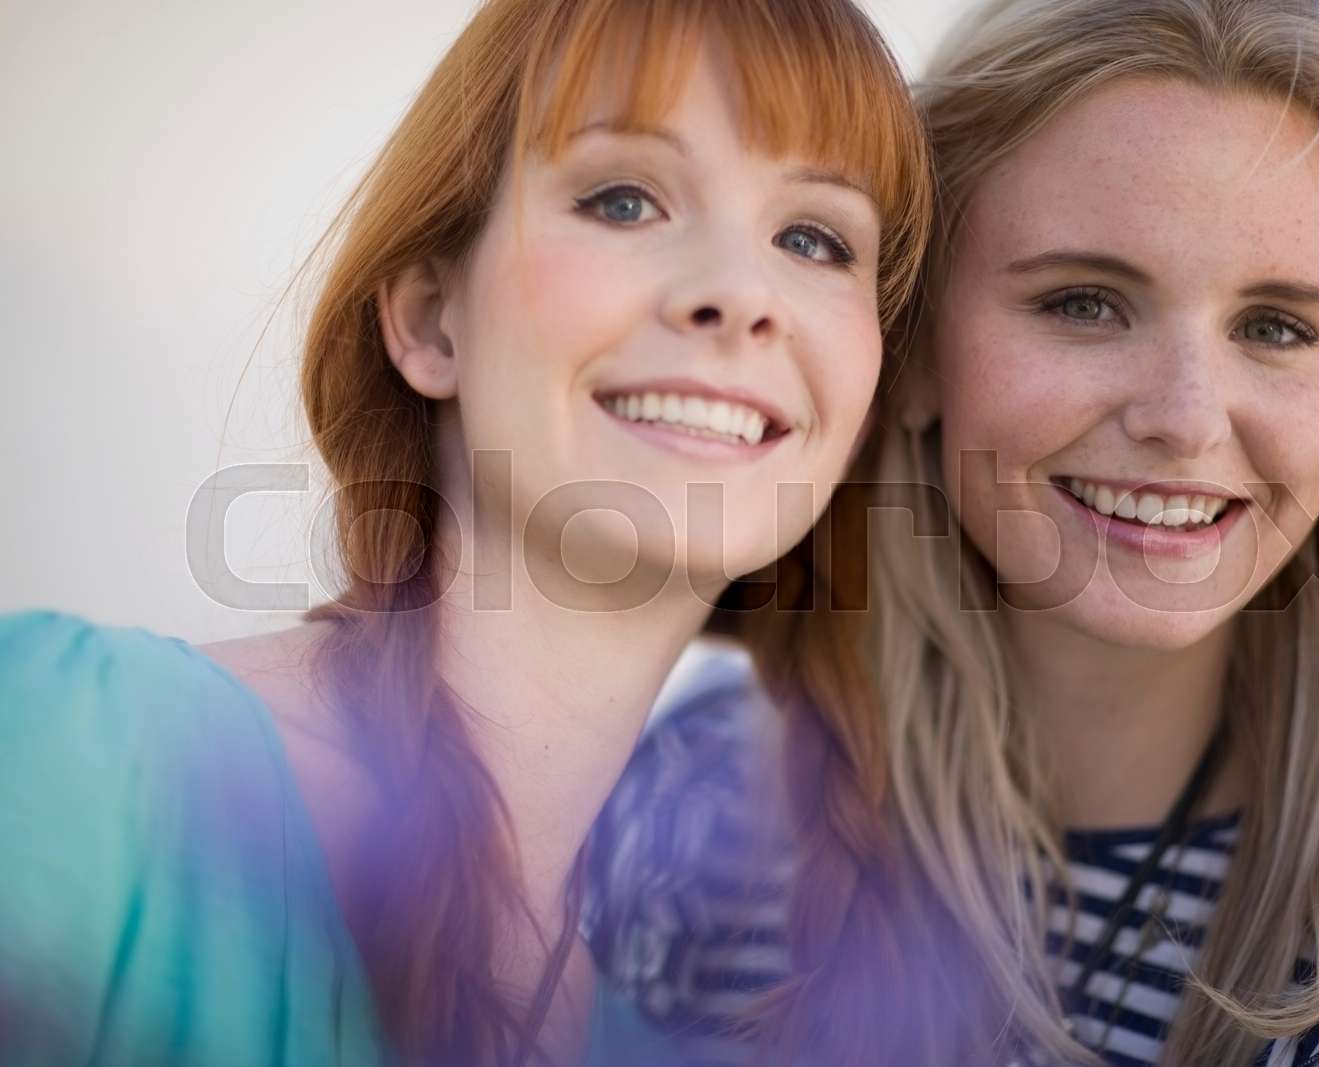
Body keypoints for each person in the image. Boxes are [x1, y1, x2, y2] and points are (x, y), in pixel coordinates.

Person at [584, 0, 1319, 1064]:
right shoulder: (686, 807)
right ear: (914, 350)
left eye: (1274, 326)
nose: (1186, 417)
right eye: (1083, 303)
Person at [0, 1, 931, 1064]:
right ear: (429, 318)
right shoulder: (70, 759)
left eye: (812, 238)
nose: (741, 294)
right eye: (624, 200)